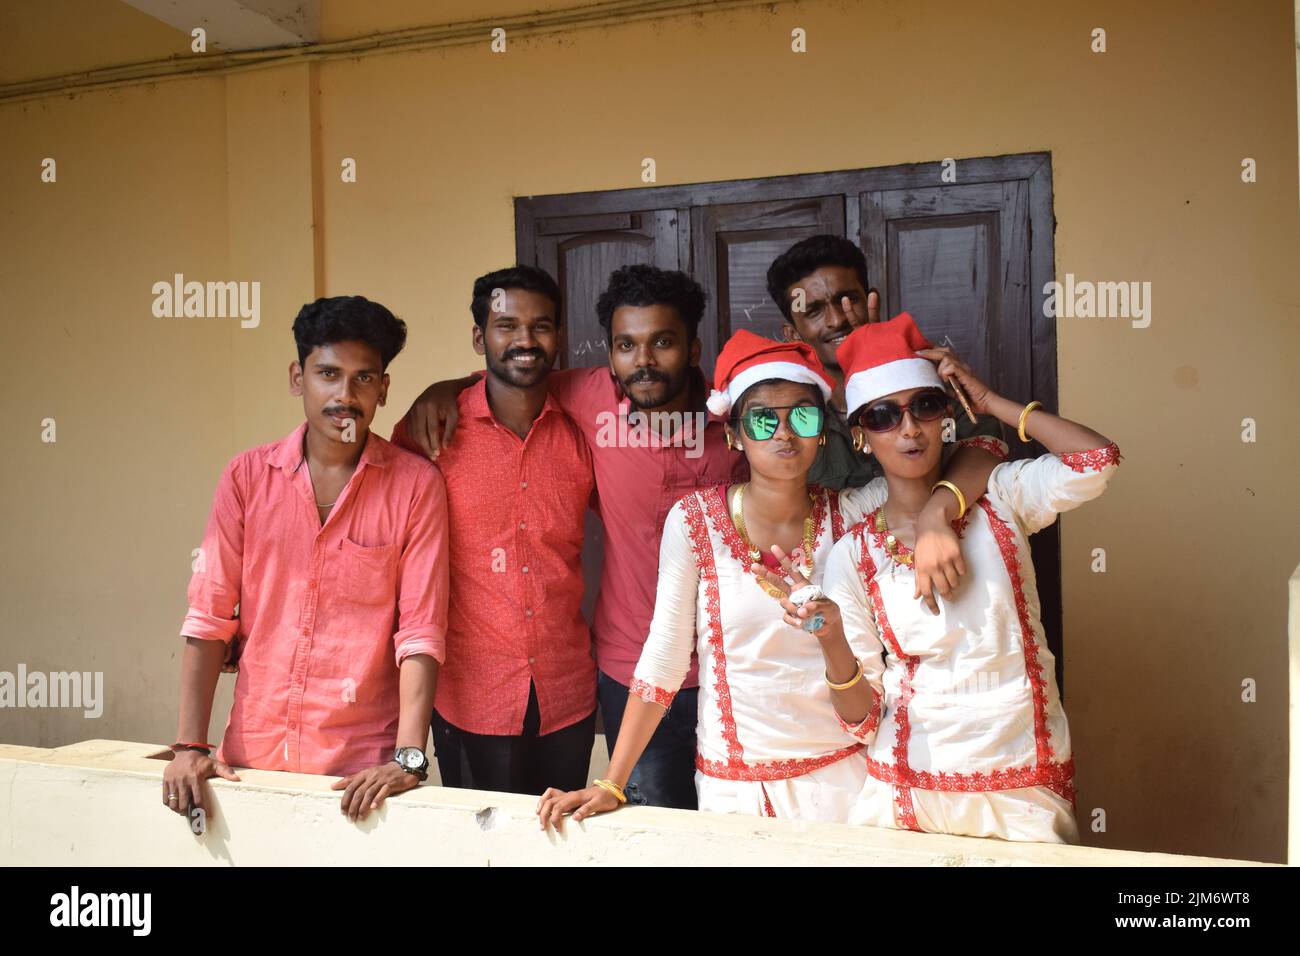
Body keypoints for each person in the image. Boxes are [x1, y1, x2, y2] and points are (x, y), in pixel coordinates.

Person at [401, 263, 990, 807]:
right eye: (626, 345)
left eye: (662, 342)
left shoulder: (744, 416)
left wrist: (939, 509)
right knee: (651, 827)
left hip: (745, 675)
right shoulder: (588, 398)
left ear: (693, 349)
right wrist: (444, 389)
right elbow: (516, 369)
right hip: (633, 666)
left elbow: (943, 457)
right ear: (609, 355)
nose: (643, 360)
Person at [536, 332, 891, 827]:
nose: (784, 434)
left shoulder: (854, 516)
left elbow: (965, 459)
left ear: (823, 432)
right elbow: (664, 657)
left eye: (803, 417)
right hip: (735, 791)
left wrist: (943, 508)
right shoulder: (695, 521)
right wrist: (612, 782)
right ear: (734, 435)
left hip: (845, 782)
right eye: (763, 420)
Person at [821, 313, 1121, 842]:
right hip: (906, 790)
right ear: (861, 436)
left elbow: (1097, 460)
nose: (909, 429)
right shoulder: (855, 552)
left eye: (925, 406)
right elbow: (861, 721)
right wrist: (830, 641)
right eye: (885, 416)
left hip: (1023, 780)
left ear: (946, 416)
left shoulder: (1002, 498)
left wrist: (991, 403)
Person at [165, 296, 449, 826]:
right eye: (328, 374)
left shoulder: (416, 486)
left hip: (361, 777)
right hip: (251, 760)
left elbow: (421, 630)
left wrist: (408, 758)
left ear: (384, 389)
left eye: (364, 378)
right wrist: (189, 745)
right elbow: (209, 615)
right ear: (298, 378)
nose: (346, 395)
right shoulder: (246, 478)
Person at [390, 266, 597, 796]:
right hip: (470, 696)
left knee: (562, 834)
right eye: (506, 326)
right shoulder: (431, 431)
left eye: (540, 326)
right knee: (481, 837)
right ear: (480, 338)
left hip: (567, 690)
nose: (525, 340)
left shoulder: (582, 431)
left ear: (558, 335)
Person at [766, 236, 1008, 613]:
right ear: (792, 333)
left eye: (847, 299)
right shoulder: (792, 420)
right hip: (841, 609)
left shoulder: (927, 385)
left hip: (955, 591)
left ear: (869, 300)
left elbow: (985, 447)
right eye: (813, 310)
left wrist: (936, 511)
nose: (836, 319)